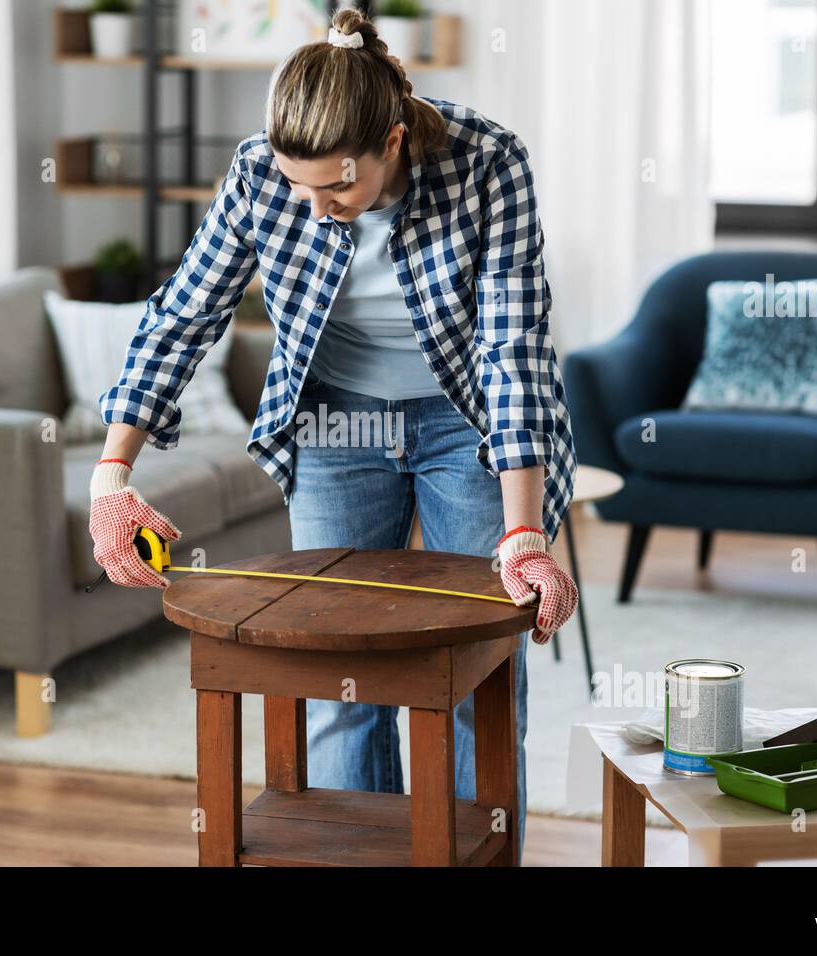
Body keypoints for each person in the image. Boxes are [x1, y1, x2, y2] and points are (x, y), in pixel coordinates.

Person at [88, 8, 578, 863]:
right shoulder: (256, 176)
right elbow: (182, 318)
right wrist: (110, 475)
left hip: (465, 424)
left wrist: (524, 530)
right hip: (335, 422)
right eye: (298, 188)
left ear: (392, 141)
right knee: (334, 673)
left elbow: (512, 348)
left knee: (477, 669)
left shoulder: (486, 163)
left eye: (337, 190)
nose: (315, 211)